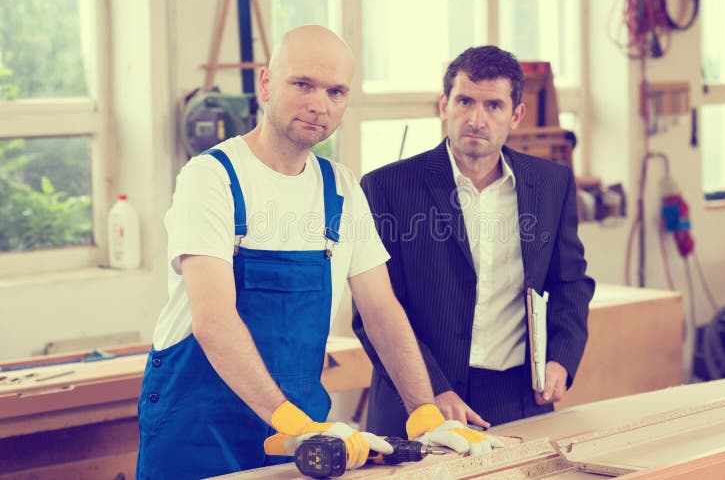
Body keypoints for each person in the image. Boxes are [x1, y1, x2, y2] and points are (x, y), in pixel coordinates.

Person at [137, 26, 499, 480]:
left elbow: (383, 311)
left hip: (301, 433)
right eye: (302, 84)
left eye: (335, 91)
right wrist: (294, 424)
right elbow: (213, 320)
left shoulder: (341, 187)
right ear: (266, 84)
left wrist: (424, 411)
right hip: (200, 428)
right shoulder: (211, 178)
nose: (319, 104)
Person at [354, 45, 595, 437]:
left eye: (494, 106)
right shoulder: (386, 188)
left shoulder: (552, 183)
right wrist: (430, 390)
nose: (476, 119)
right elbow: (375, 309)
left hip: (518, 397)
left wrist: (560, 359)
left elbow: (570, 283)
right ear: (444, 104)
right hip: (416, 400)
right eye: (465, 101)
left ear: (515, 114)